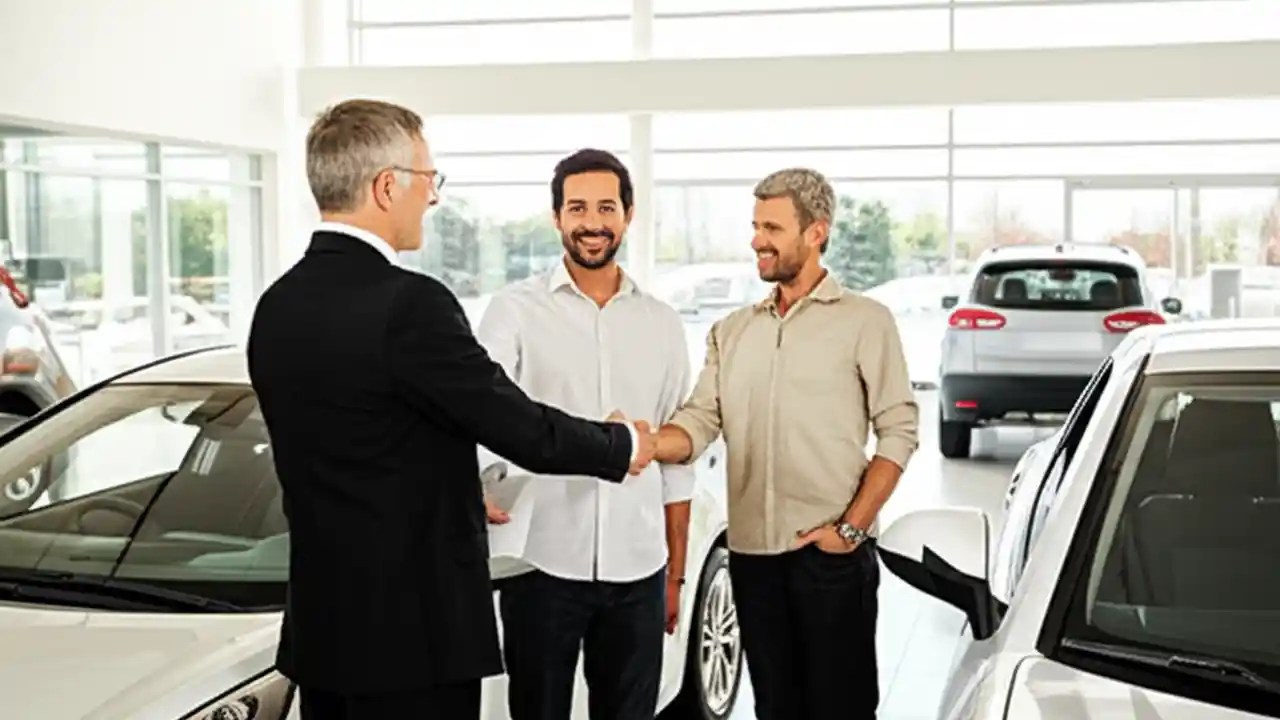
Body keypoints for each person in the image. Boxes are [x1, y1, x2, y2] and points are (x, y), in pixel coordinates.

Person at [246, 100, 658, 720]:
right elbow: (516, 425)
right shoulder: (410, 304)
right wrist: (621, 445)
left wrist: (462, 480)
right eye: (426, 180)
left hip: (326, 636)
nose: (432, 199)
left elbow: (368, 439)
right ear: (387, 187)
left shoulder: (276, 306)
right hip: (412, 643)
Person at [653, 168, 919, 719]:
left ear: (816, 232)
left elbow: (899, 429)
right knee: (775, 708)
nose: (757, 240)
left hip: (831, 559)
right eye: (754, 226)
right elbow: (700, 421)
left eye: (772, 227)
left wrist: (850, 529)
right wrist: (639, 443)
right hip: (752, 560)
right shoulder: (732, 331)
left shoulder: (865, 322)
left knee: (840, 710)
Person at [475, 148, 694, 720]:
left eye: (605, 207)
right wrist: (471, 482)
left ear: (627, 214)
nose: (591, 222)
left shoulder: (662, 323)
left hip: (640, 567)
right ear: (556, 217)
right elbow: (477, 415)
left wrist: (675, 573)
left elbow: (677, 452)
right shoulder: (514, 311)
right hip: (542, 564)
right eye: (577, 208)